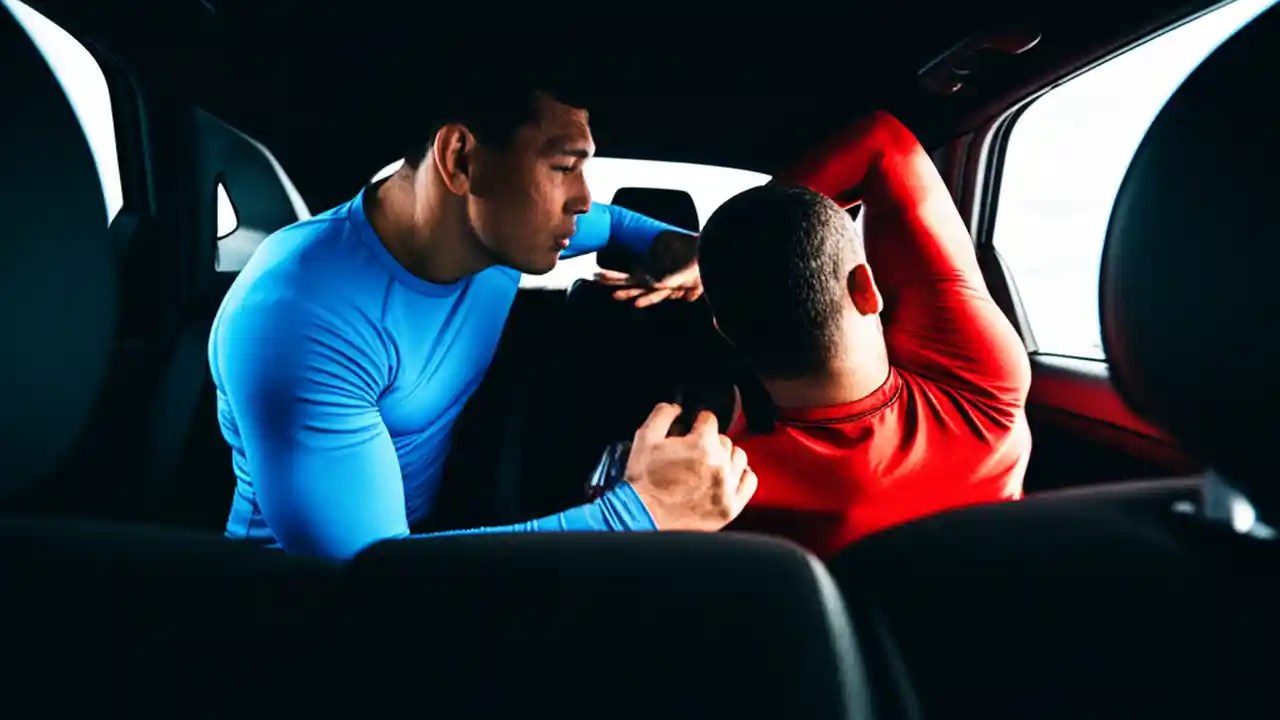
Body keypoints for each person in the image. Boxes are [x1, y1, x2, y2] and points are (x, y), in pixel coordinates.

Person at [209, 81, 756, 561]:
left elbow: (613, 224)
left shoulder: (491, 238)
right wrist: (642, 511)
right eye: (565, 168)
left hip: (425, 541)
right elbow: (370, 582)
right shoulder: (303, 314)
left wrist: (676, 246)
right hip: (299, 602)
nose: (583, 199)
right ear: (460, 158)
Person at [695, 110, 1032, 558]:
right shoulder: (982, 377)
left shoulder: (723, 487)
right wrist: (746, 228)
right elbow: (883, 140)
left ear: (725, 330)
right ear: (867, 288)